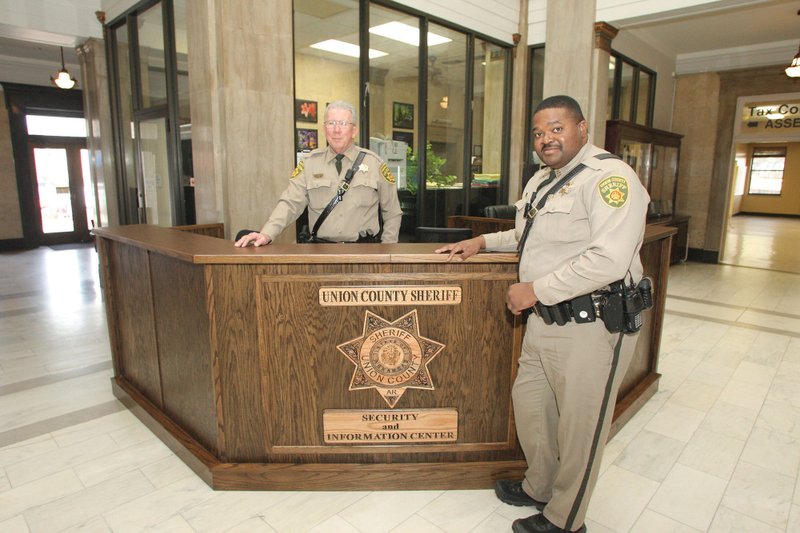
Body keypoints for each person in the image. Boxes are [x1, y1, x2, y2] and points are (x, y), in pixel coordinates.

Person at [436, 95, 649, 533]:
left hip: (592, 326)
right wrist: (482, 242)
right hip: (545, 322)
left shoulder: (610, 178)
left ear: (582, 129)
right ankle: (539, 485)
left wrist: (536, 290)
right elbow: (527, 232)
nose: (546, 138)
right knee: (531, 406)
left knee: (579, 428)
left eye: (556, 128)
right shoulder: (543, 180)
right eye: (538, 132)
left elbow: (608, 259)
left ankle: (566, 519)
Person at [235, 100, 402, 246]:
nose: (336, 130)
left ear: (354, 131)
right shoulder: (309, 164)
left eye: (343, 124)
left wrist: (387, 250)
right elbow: (290, 203)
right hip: (321, 253)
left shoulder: (374, 163)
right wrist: (267, 233)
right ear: (324, 128)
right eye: (331, 123)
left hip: (364, 253)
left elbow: (393, 212)